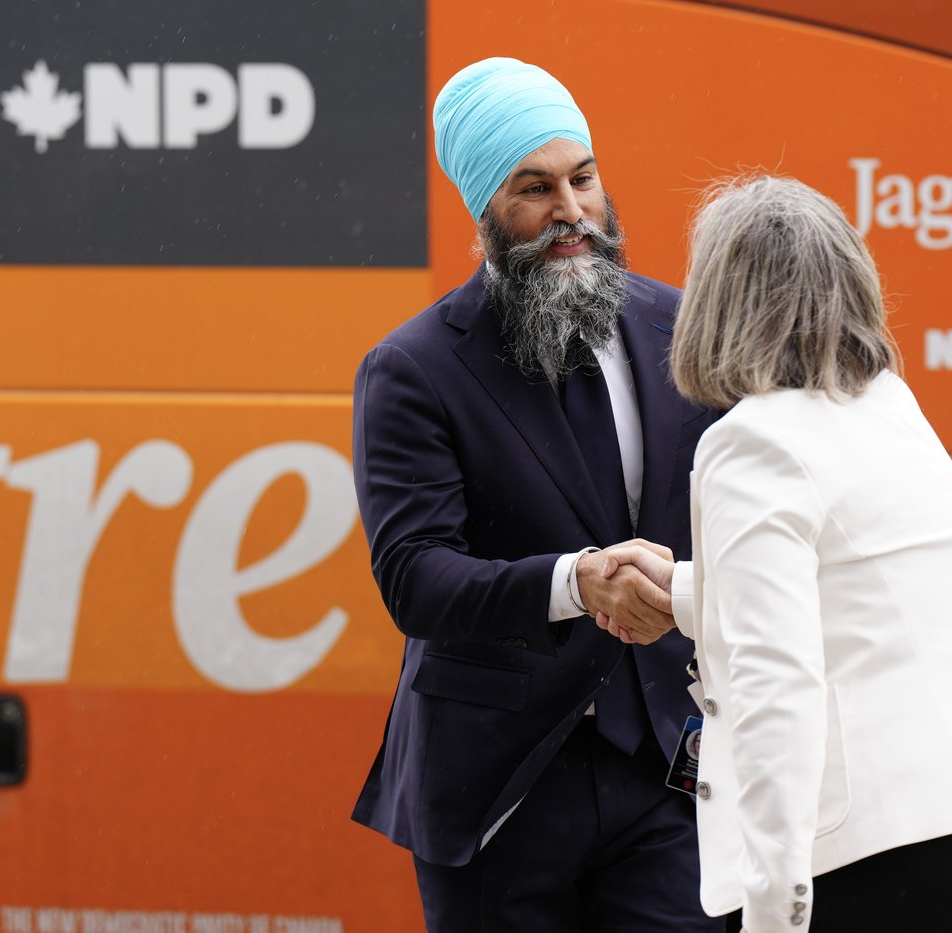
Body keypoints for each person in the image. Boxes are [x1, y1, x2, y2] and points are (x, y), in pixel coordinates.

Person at [597, 175, 952, 933]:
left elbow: (780, 690)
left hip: (917, 858)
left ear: (718, 302)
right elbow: (865, 593)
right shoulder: (888, 408)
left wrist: (774, 913)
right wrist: (679, 593)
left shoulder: (751, 445)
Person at [349, 57, 723, 931]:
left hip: (669, 774)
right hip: (501, 791)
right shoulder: (414, 369)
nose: (571, 212)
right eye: (535, 188)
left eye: (583, 178)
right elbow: (414, 576)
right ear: (485, 212)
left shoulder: (682, 327)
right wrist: (575, 581)